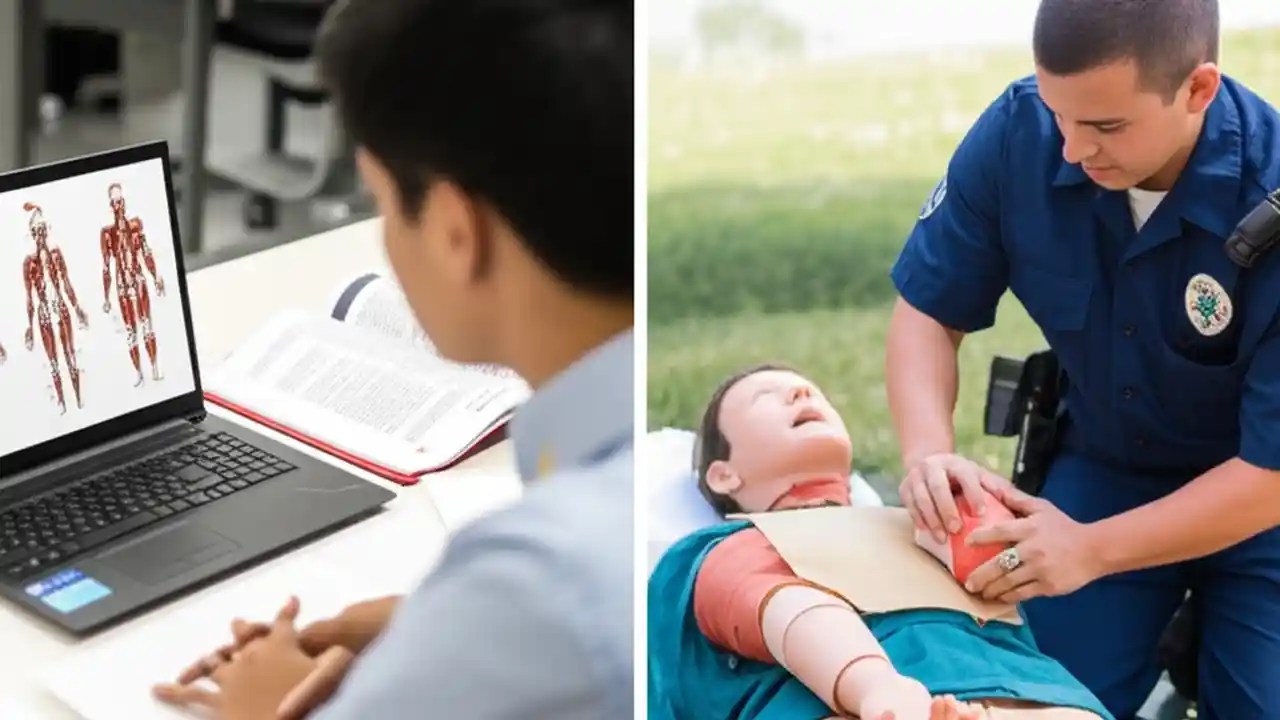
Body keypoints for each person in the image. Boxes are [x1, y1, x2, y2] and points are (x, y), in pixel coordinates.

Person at [151, 0, 634, 718]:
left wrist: (262, 708)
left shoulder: (541, 585)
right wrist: (446, 635)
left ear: (454, 232)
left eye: (381, 204)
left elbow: (558, 616)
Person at [886, 1, 1280, 718]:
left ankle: (1199, 640)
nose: (1070, 150)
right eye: (1058, 114)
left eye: (1105, 126)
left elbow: (1270, 476)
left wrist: (1092, 552)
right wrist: (927, 455)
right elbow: (928, 310)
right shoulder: (1019, 132)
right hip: (1106, 464)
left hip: (1261, 500)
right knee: (1027, 699)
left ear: (1198, 89)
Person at [649, 365, 1113, 720]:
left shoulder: (916, 525)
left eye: (811, 391)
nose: (800, 393)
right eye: (764, 398)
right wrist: (878, 688)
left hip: (1026, 695)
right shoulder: (723, 548)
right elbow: (782, 607)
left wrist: (972, 511)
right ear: (723, 475)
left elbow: (1006, 572)